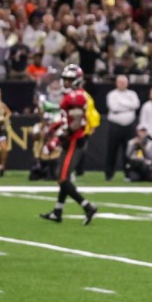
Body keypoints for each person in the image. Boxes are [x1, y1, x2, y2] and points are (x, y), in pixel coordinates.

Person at [39, 64, 99, 224]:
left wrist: (58, 138)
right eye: (65, 79)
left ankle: (87, 206)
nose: (66, 82)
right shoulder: (72, 95)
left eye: (69, 79)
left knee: (63, 177)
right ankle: (58, 211)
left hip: (75, 140)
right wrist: (55, 127)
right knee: (61, 175)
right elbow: (68, 119)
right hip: (72, 139)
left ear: (77, 80)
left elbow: (76, 123)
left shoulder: (77, 96)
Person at [103, 75, 140, 181]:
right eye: (120, 82)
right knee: (112, 151)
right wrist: (128, 106)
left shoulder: (132, 94)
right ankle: (109, 175)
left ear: (127, 83)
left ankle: (129, 174)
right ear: (116, 83)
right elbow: (114, 107)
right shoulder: (112, 94)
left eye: (124, 82)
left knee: (128, 151)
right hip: (115, 125)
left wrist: (121, 105)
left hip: (129, 125)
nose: (122, 84)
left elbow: (136, 105)